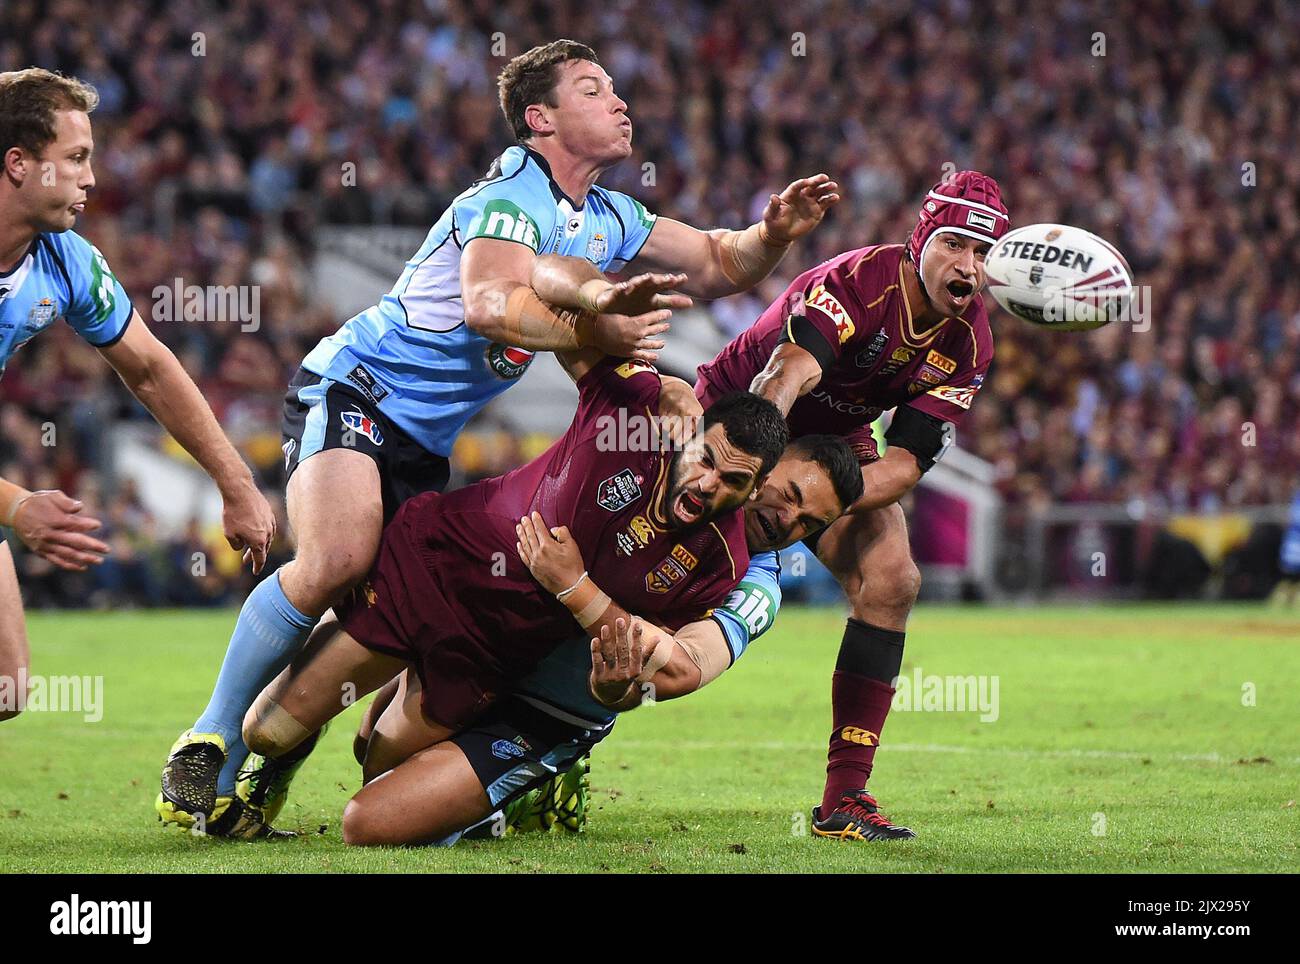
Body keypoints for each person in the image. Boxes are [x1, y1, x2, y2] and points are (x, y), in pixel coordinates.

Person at [158, 38, 838, 823]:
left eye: (615, 87)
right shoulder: (513, 196)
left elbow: (722, 259)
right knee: (336, 558)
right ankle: (207, 745)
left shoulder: (609, 216)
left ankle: (263, 771)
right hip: (358, 386)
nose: (620, 101)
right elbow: (490, 303)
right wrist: (597, 328)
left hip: (423, 440)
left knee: (351, 614)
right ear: (539, 119)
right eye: (593, 89)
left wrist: (775, 233)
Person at [221, 348, 786, 840]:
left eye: (734, 482)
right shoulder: (633, 414)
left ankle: (480, 763)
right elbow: (573, 326)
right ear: (692, 438)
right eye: (706, 460)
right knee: (265, 732)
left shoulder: (721, 563)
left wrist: (589, 627)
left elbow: (645, 668)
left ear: (756, 488)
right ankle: (280, 758)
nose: (709, 483)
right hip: (434, 568)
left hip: (495, 652)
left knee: (377, 778)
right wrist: (664, 378)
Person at [330, 431, 863, 847]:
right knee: (368, 744)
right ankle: (267, 762)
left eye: (810, 522)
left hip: (545, 715)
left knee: (368, 823)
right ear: (765, 465)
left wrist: (575, 587)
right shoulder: (677, 477)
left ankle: (522, 793)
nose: (787, 520)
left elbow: (680, 669)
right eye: (789, 494)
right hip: (487, 647)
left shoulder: (757, 586)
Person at [691, 171, 1012, 839]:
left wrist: (825, 495)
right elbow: (786, 373)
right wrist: (752, 462)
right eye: (957, 245)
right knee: (649, 576)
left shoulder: (970, 340)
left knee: (892, 579)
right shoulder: (854, 284)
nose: (971, 268)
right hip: (735, 419)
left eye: (984, 255)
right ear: (921, 236)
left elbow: (906, 462)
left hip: (834, 445)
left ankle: (844, 800)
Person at [0, 68, 274, 722]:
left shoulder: (66, 261)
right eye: (74, 158)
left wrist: (232, 480)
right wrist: (15, 507)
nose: (91, 177)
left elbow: (150, 368)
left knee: (6, 686)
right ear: (19, 164)